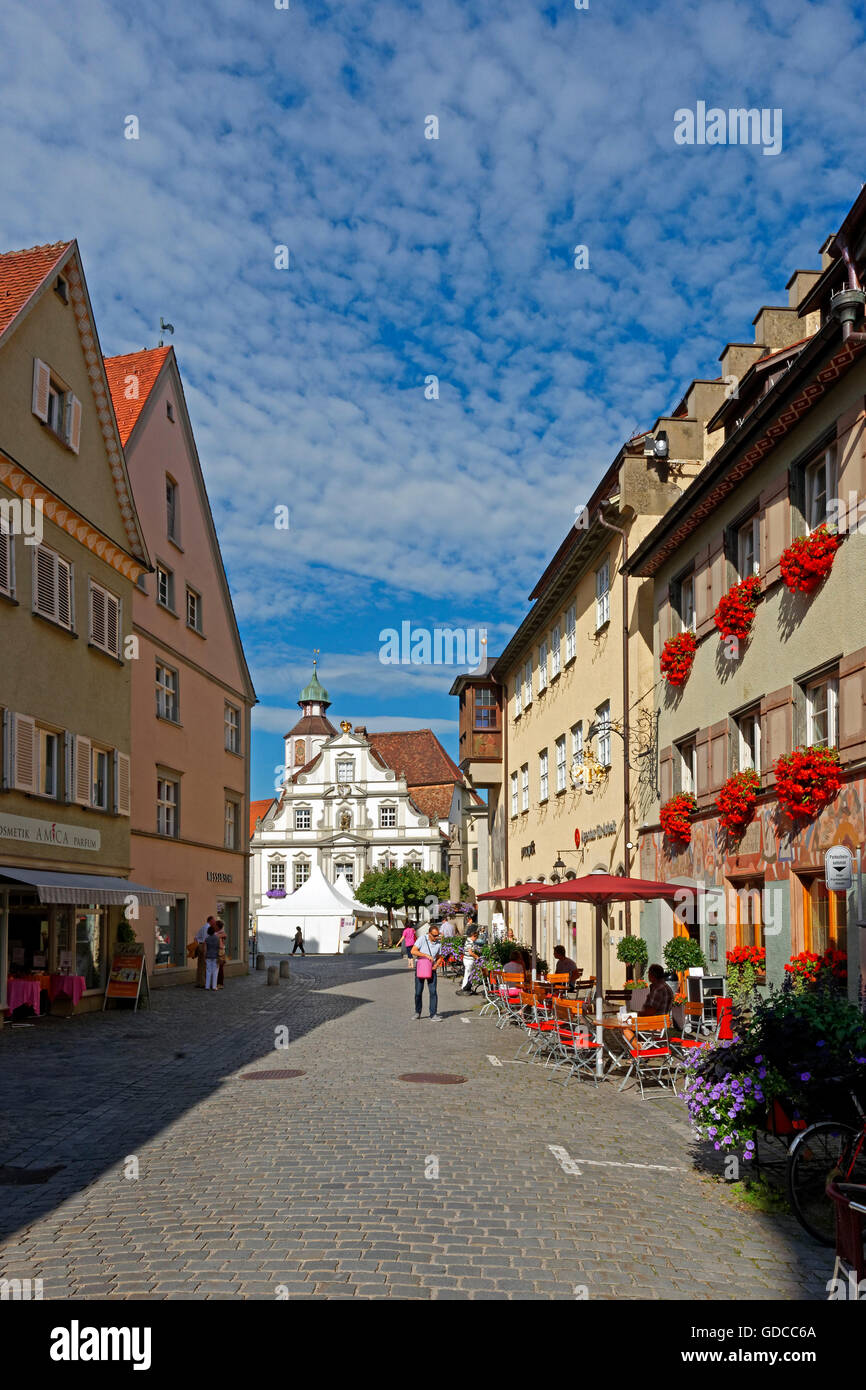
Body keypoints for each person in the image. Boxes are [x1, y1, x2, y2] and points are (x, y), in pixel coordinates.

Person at [411, 924, 444, 1021]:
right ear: (429, 934)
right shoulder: (422, 939)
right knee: (418, 992)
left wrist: (436, 965)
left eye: (437, 935)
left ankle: (433, 1014)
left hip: (432, 969)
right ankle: (417, 1012)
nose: (436, 937)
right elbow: (413, 951)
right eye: (434, 935)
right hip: (421, 967)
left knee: (433, 992)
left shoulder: (438, 943)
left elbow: (439, 957)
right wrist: (426, 955)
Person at [194, 916, 216, 988]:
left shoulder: (204, 927)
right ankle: (203, 983)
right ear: (210, 921)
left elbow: (196, 937)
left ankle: (199, 982)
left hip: (201, 946)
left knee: (200, 966)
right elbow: (205, 940)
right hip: (203, 947)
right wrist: (205, 951)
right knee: (204, 966)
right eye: (214, 921)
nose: (214, 922)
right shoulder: (207, 928)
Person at [458, 927, 481, 994]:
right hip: (468, 960)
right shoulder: (470, 942)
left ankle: (465, 987)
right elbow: (470, 952)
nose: (476, 939)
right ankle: (464, 988)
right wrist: (476, 956)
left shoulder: (468, 940)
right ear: (473, 936)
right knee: (467, 974)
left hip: (466, 959)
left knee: (467, 974)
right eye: (476, 937)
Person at [204, 923, 221, 991]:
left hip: (208, 956)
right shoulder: (217, 938)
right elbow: (219, 947)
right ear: (214, 931)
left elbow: (205, 949)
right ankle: (214, 986)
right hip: (215, 956)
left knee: (208, 971)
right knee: (215, 971)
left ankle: (207, 986)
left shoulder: (206, 939)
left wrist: (204, 956)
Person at [215, 919, 227, 990]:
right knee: (219, 968)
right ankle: (218, 983)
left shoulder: (220, 933)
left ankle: (220, 983)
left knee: (220, 968)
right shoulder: (219, 932)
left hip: (220, 951)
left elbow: (221, 945)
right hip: (221, 951)